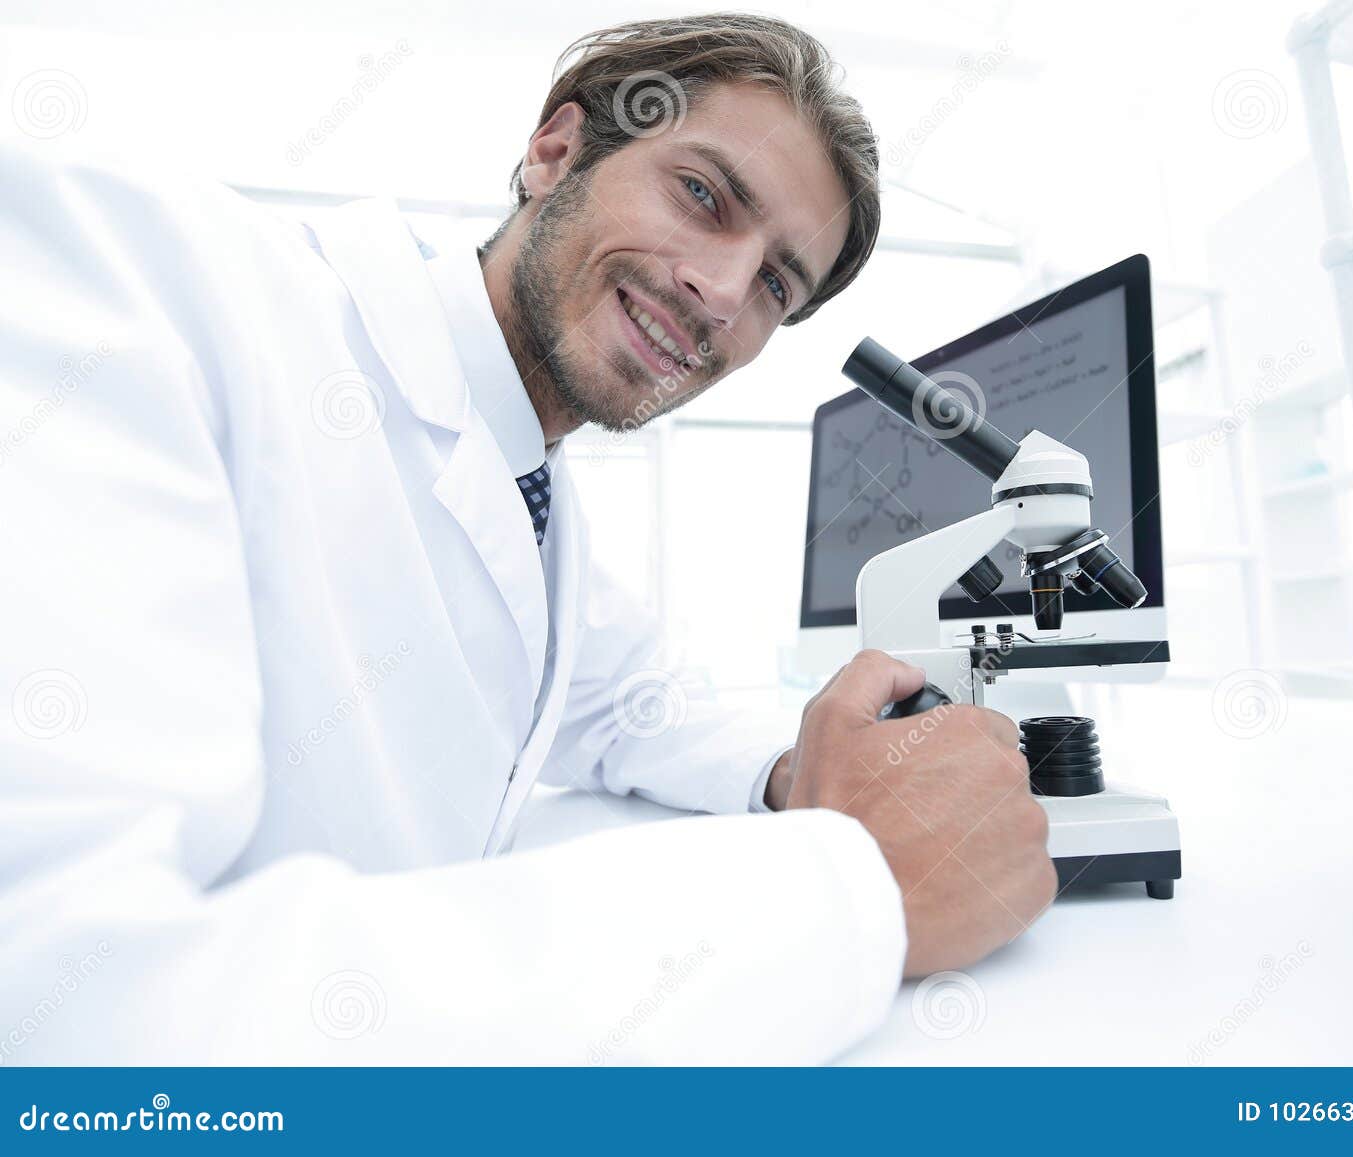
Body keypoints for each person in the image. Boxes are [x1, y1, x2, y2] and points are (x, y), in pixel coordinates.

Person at [0, 13, 1053, 1064]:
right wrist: (856, 890)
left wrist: (807, 768)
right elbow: (66, 997)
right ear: (554, 152)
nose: (722, 292)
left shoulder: (529, 475)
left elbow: (626, 702)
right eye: (702, 195)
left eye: (777, 282)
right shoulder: (155, 291)